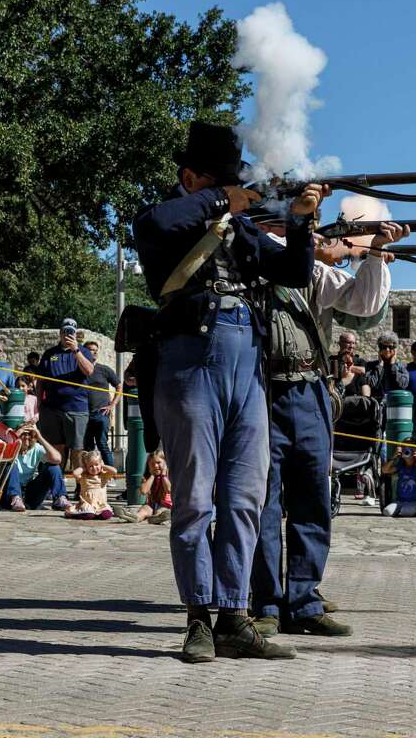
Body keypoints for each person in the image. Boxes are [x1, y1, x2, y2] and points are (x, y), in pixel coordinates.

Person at [133, 121, 325, 662]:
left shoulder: (237, 228)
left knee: (244, 495)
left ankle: (235, 615)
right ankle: (198, 617)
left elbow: (292, 270)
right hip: (190, 360)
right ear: (191, 177)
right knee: (194, 500)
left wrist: (301, 222)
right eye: (216, 181)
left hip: (249, 365)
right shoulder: (167, 217)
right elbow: (159, 224)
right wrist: (223, 198)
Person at [249, 207, 404, 639]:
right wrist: (313, 241)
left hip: (310, 389)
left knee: (313, 498)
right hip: (263, 389)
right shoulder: (256, 256)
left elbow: (364, 302)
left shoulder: (313, 270)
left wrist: (374, 253)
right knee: (265, 502)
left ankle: (303, 599)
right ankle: (265, 601)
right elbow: (281, 246)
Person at [37, 319, 96, 473]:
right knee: (56, 448)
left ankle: (80, 487)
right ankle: (59, 486)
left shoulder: (84, 351)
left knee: (77, 449)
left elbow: (89, 371)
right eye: (65, 331)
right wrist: (39, 404)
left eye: (71, 332)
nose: (67, 335)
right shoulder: (50, 354)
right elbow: (40, 381)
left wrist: (75, 350)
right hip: (52, 409)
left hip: (76, 408)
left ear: (76, 334)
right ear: (60, 333)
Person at [2, 421, 67, 512]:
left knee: (53, 467)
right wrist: (14, 436)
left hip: (29, 492)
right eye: (24, 434)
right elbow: (1, 453)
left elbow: (57, 459)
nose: (27, 437)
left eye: (30, 434)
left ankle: (60, 499)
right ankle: (15, 498)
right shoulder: (11, 447)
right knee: (11, 465)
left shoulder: (36, 448)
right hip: (8, 493)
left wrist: (39, 437)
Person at [82, 340, 121, 467]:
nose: (93, 352)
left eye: (95, 350)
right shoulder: (79, 370)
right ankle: (89, 478)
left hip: (101, 413)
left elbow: (119, 386)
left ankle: (110, 476)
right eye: (90, 349)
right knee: (87, 446)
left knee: (102, 443)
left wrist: (112, 405)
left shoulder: (104, 370)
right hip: (84, 413)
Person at [114, 449, 172, 524]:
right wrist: (152, 475)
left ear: (165, 463)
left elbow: (169, 489)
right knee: (144, 510)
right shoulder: (147, 477)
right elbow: (144, 491)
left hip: (167, 505)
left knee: (161, 510)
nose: (155, 466)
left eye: (158, 463)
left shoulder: (169, 475)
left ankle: (158, 517)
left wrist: (163, 475)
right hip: (152, 504)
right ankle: (136, 517)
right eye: (152, 464)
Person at [381, 447, 416, 516]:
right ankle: (406, 509)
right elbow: (385, 470)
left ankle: (415, 509)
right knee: (387, 511)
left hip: (415, 501)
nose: (407, 452)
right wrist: (394, 457)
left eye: (410, 450)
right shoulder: (401, 466)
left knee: (406, 512)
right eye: (405, 450)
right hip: (400, 501)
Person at [64, 451, 116, 520]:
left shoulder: (103, 476)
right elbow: (75, 473)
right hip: (87, 504)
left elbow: (114, 471)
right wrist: (83, 468)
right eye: (91, 466)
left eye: (96, 464)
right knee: (89, 515)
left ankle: (96, 514)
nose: (94, 468)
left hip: (100, 504)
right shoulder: (84, 477)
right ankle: (73, 514)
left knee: (106, 515)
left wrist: (102, 465)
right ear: (86, 466)